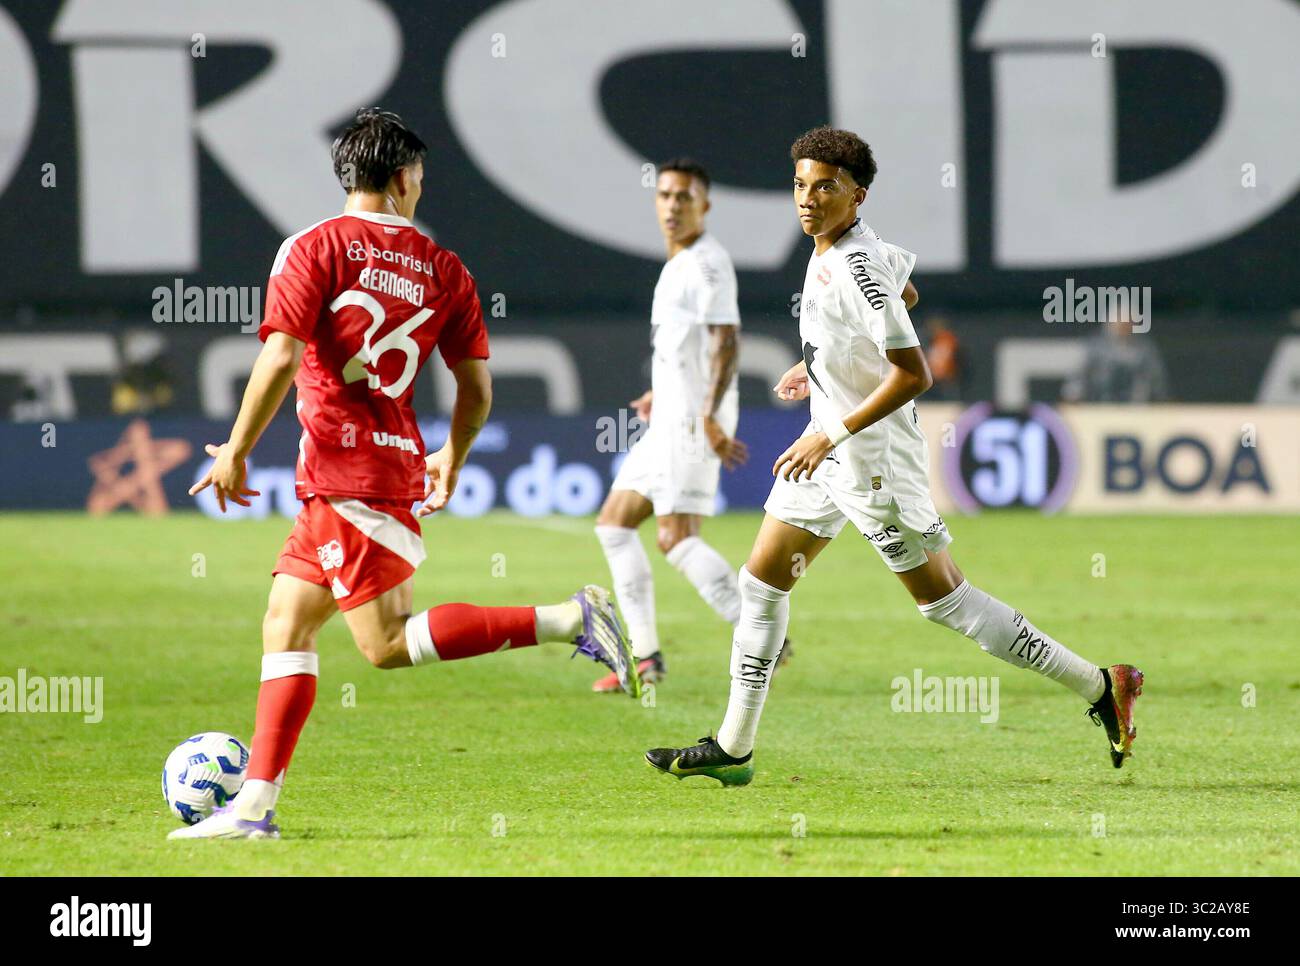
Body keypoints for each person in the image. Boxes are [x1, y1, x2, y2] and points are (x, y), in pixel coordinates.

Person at [171, 109, 638, 840]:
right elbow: (477, 389)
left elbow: (283, 354)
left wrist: (234, 447)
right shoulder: (445, 268)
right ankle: (254, 809)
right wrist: (454, 452)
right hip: (377, 466)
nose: (422, 188)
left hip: (344, 472)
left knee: (384, 645)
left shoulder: (311, 247)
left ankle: (568, 618)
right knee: (285, 625)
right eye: (420, 176)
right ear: (399, 179)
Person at [646, 126, 1143, 786]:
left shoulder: (853, 262)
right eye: (800, 184)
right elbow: (901, 296)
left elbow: (913, 372)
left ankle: (1101, 685)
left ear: (858, 195)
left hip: (869, 461)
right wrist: (818, 363)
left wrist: (830, 429)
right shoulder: (843, 250)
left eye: (826, 186)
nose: (808, 198)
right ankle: (734, 748)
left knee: (947, 605)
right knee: (760, 585)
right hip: (830, 454)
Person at [591, 158, 787, 691]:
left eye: (685, 196)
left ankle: (762, 633)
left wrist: (706, 416)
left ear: (705, 205)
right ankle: (647, 660)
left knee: (676, 537)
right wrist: (664, 389)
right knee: (614, 526)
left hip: (692, 421)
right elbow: (689, 345)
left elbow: (726, 339)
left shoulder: (708, 264)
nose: (673, 205)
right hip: (673, 415)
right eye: (666, 195)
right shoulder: (679, 263)